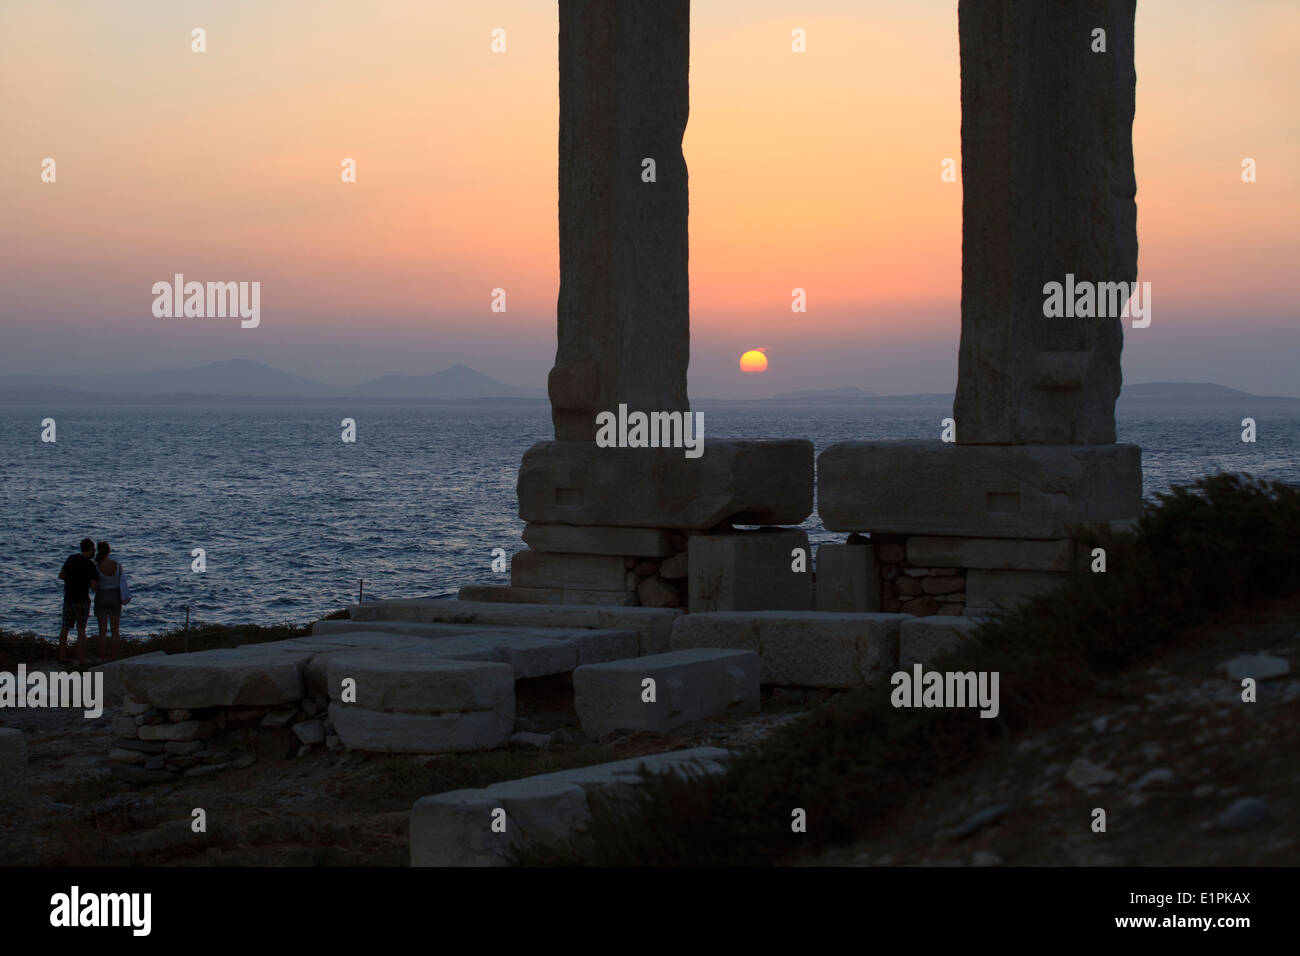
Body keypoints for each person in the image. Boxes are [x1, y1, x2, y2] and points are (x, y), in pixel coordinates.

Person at [57, 537, 99, 665]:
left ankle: (62, 657)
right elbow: (93, 586)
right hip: (82, 599)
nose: (95, 553)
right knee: (81, 629)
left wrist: (70, 581)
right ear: (90, 549)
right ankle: (81, 659)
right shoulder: (90, 565)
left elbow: (61, 575)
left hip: (69, 597)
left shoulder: (71, 558)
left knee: (65, 628)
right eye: (94, 550)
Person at [94, 540, 128, 661]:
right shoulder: (117, 565)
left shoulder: (96, 566)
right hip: (115, 597)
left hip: (101, 596)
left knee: (102, 631)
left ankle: (102, 657)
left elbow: (94, 586)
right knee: (115, 630)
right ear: (109, 551)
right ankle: (115, 656)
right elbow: (122, 582)